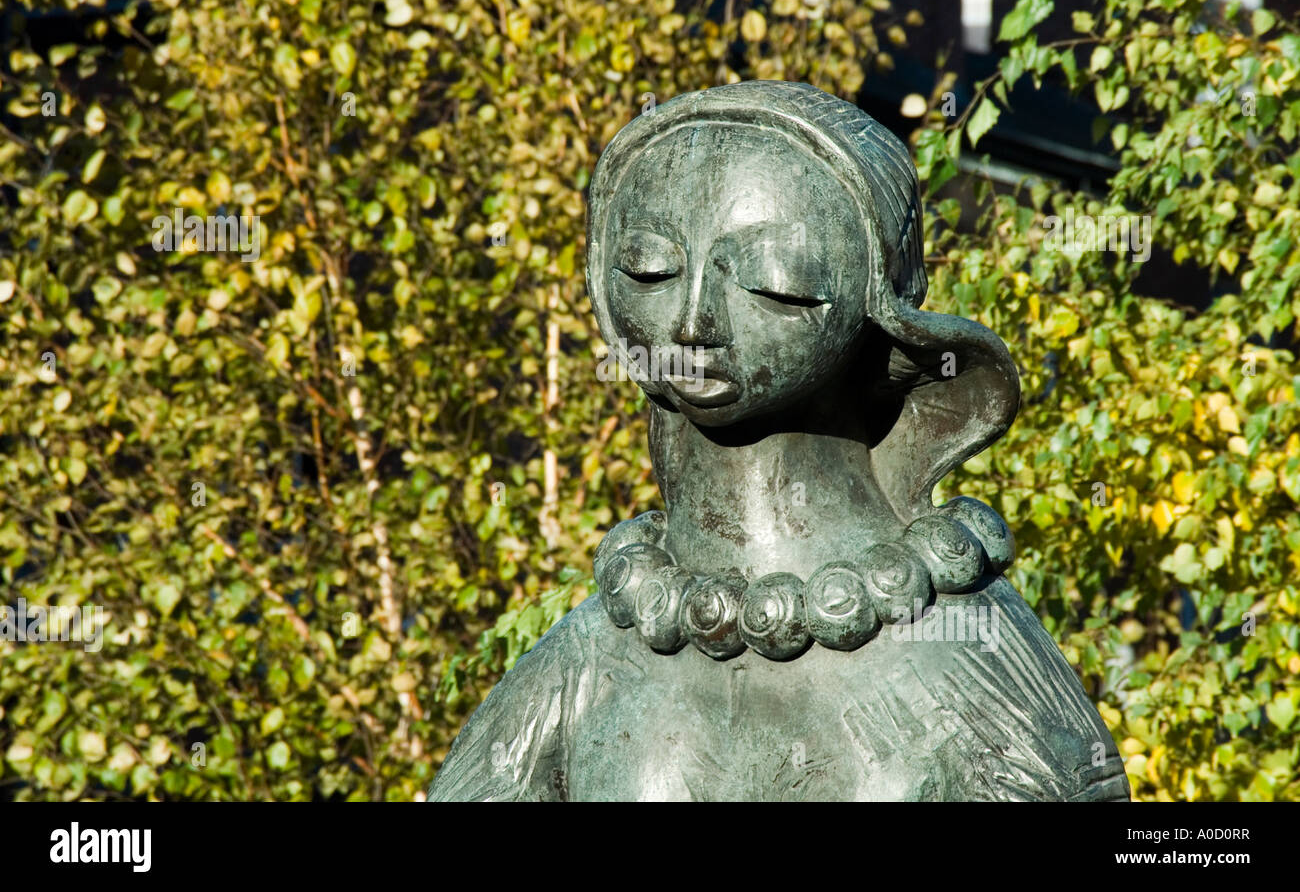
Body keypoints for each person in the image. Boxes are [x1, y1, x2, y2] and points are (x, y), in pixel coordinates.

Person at [428, 80, 1129, 801]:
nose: (694, 321)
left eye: (773, 284)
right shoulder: (589, 659)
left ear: (875, 305)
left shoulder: (964, 643)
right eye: (649, 271)